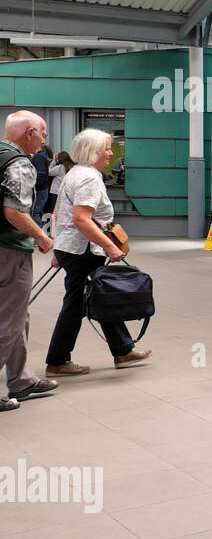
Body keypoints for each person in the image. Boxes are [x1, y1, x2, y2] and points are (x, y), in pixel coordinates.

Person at [45, 128, 151, 375]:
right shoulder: (89, 178)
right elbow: (82, 219)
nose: (110, 153)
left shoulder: (74, 173)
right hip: (84, 252)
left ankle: (123, 350)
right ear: (93, 152)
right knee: (77, 304)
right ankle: (57, 360)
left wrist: (58, 249)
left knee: (99, 295)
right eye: (106, 148)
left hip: (72, 249)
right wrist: (110, 245)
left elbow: (60, 213)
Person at [0, 112, 58, 410]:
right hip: (9, 250)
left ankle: (21, 379)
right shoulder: (19, 163)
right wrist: (42, 237)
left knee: (18, 315)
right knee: (9, 319)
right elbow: (14, 212)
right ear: (31, 132)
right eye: (43, 133)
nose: (44, 139)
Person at [30, 143, 50, 220]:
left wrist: (35, 187)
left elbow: (40, 174)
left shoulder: (38, 156)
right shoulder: (41, 156)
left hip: (40, 189)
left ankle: (38, 231)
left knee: (35, 213)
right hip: (43, 188)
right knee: (39, 212)